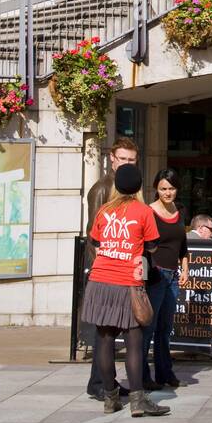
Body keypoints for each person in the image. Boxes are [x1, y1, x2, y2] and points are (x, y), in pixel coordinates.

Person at [80, 164, 169, 417]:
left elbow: (95, 242)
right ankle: (138, 401)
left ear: (116, 185)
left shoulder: (104, 211)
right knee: (133, 340)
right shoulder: (143, 212)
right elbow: (152, 247)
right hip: (127, 282)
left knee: (105, 340)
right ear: (139, 186)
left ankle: (110, 399)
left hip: (99, 281)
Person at [85, 137, 139, 400]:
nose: (127, 164)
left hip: (124, 273)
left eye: (132, 160)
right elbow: (93, 236)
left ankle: (108, 383)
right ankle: (100, 384)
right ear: (112, 159)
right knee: (105, 333)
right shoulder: (102, 189)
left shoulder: (129, 190)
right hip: (108, 274)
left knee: (116, 333)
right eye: (123, 159)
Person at [144, 169, 190, 390]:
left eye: (171, 188)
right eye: (163, 188)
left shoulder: (180, 211)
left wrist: (185, 268)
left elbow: (182, 245)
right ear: (156, 189)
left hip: (173, 276)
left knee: (165, 327)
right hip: (156, 274)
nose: (167, 192)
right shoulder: (149, 212)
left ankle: (165, 372)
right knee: (149, 327)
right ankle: (143, 374)